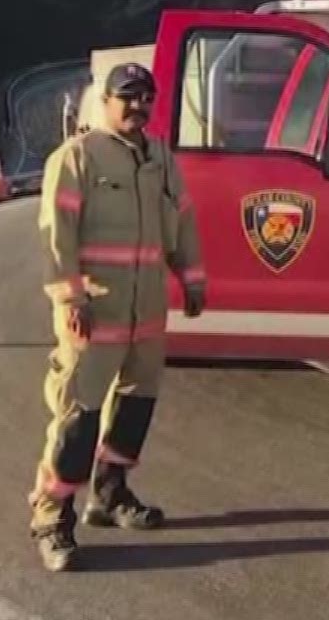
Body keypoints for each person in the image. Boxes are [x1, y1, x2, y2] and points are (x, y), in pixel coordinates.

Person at [28, 62, 207, 573]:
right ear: (104, 101)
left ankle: (110, 493)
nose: (138, 106)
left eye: (146, 97)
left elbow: (183, 220)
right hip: (94, 313)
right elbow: (56, 235)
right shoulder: (77, 157)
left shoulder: (160, 159)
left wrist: (192, 277)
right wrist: (70, 298)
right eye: (127, 97)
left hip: (146, 311)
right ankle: (52, 518)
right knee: (77, 418)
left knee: (136, 405)